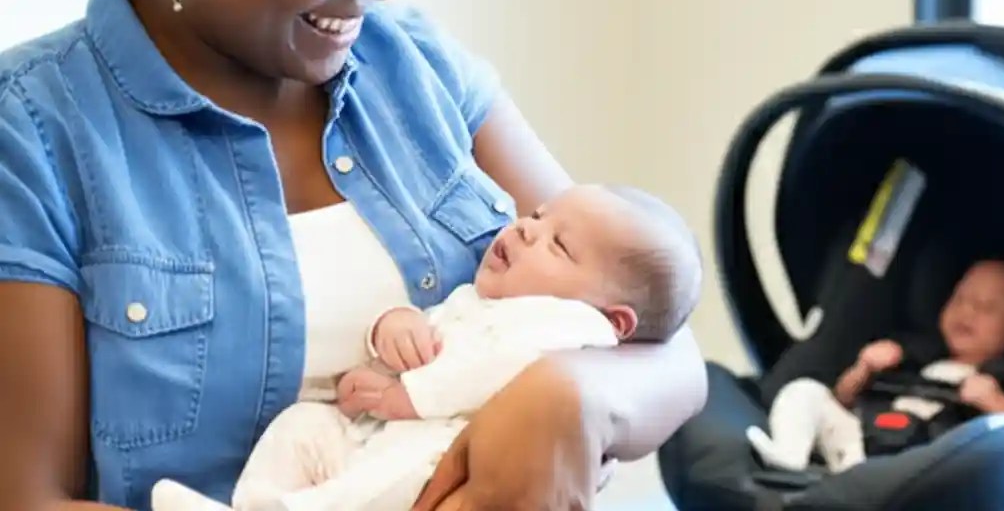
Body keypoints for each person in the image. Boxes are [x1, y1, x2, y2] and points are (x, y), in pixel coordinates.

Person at [0, 0, 709, 510]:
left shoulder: (421, 69)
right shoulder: (33, 133)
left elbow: (663, 336)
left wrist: (568, 400)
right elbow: (28, 498)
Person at [151, 184, 703, 511]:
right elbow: (436, 331)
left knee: (367, 491)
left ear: (615, 320)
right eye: (537, 217)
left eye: (558, 244)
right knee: (301, 427)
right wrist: (391, 329)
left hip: (443, 457)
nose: (527, 230)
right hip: (375, 434)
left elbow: (493, 369)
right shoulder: (487, 300)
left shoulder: (570, 326)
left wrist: (402, 397)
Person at [746, 259, 1004, 473]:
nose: (968, 310)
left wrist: (996, 404)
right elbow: (843, 400)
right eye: (960, 298)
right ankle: (787, 461)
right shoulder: (917, 357)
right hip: (857, 450)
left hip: (932, 473)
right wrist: (863, 369)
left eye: (989, 308)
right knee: (805, 392)